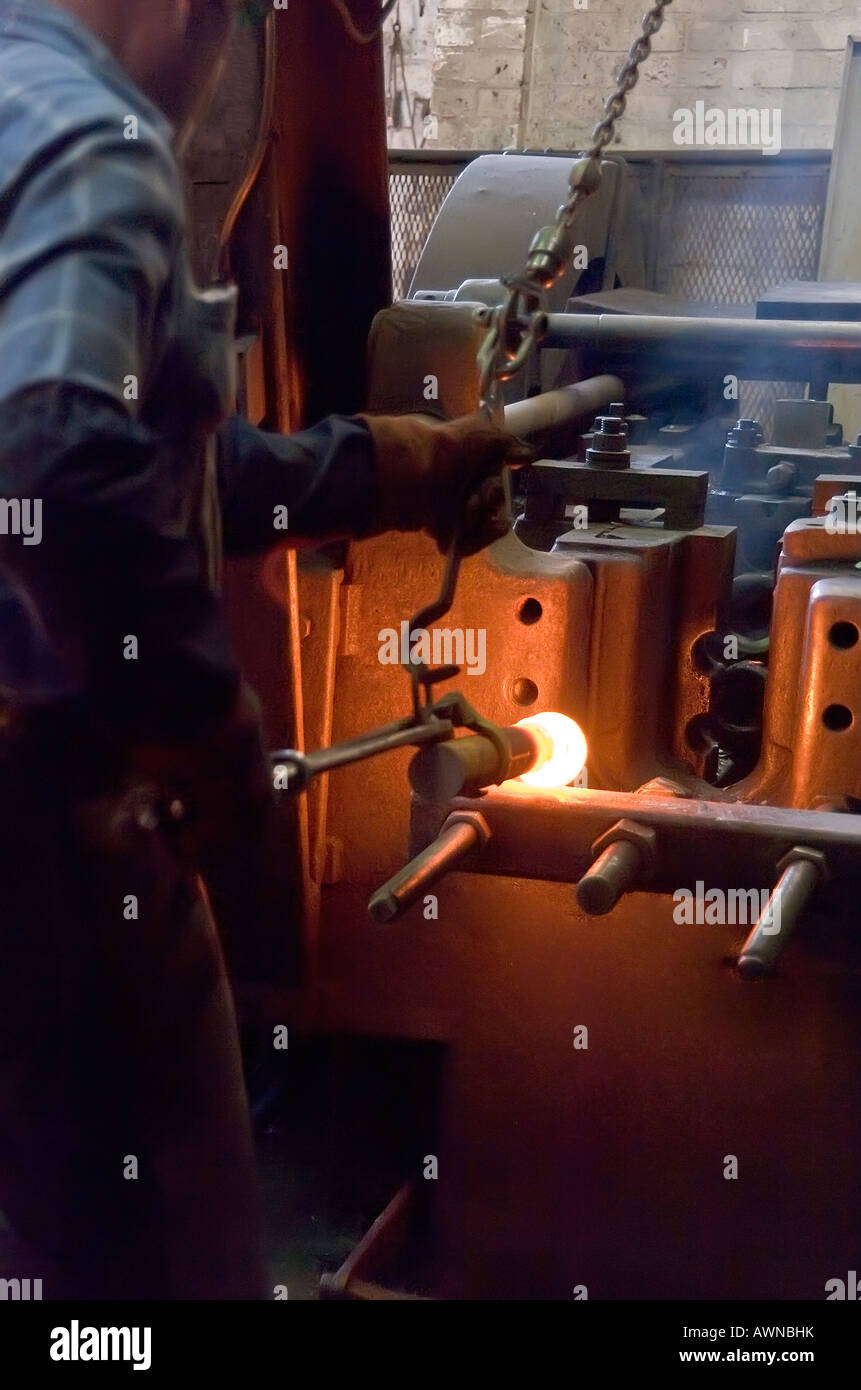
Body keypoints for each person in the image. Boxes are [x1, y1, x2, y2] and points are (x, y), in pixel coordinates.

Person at [0, 0, 525, 1299]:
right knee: (157, 1252)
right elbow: (54, 450)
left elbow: (152, 461)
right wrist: (199, 722)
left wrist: (390, 464)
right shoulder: (92, 135)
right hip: (45, 828)